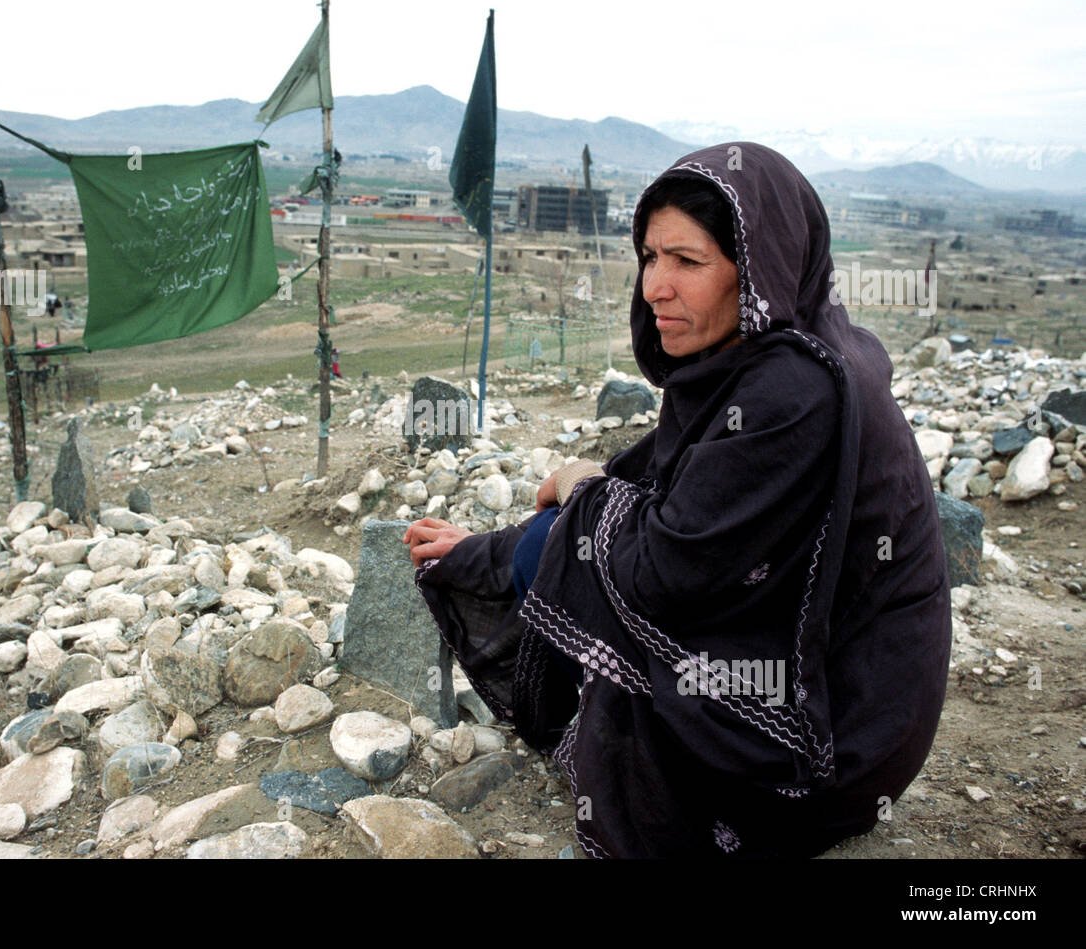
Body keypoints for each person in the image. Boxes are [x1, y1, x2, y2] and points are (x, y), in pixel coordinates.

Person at [403, 143, 950, 858]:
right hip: (836, 703)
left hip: (822, 755)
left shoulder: (793, 392)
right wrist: (498, 543)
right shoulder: (773, 359)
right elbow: (665, 497)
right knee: (566, 536)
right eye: (650, 256)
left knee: (570, 549)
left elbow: (659, 572)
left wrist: (573, 488)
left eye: (687, 262)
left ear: (756, 270)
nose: (656, 286)